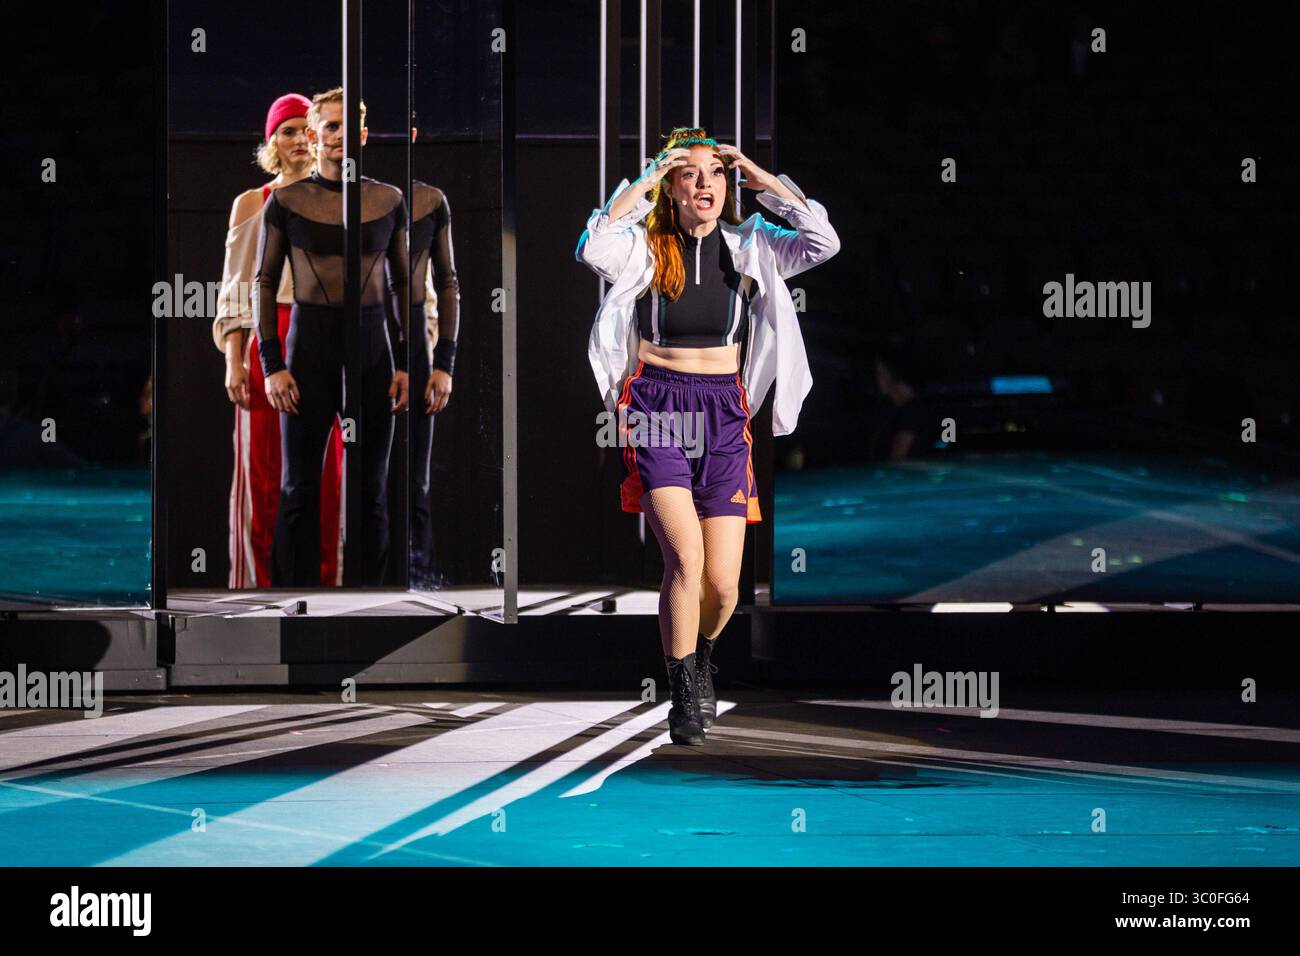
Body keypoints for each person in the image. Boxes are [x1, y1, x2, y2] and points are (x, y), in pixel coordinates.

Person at [577, 127, 840, 744]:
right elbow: (594, 243)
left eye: (716, 174)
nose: (706, 184)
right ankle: (683, 693)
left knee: (724, 584)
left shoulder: (751, 243)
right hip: (656, 410)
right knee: (685, 559)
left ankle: (700, 662)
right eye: (690, 173)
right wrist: (645, 179)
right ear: (671, 185)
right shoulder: (644, 244)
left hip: (725, 412)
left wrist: (765, 180)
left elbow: (823, 241)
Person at [254, 87, 410, 586]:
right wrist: (271, 364)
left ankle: (372, 602)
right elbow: (262, 281)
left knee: (372, 489)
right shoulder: (286, 200)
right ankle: (290, 602)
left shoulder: (389, 198)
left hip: (372, 348)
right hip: (308, 346)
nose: (339, 135)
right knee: (299, 486)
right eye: (329, 126)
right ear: (314, 134)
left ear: (363, 135)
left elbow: (405, 284)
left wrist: (408, 362)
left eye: (348, 127)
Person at [212, 93, 345, 588]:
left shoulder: (339, 200)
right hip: (269, 339)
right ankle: (255, 591)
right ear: (272, 142)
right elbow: (235, 287)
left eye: (303, 129)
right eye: (285, 131)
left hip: (321, 340)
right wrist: (234, 360)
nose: (297, 140)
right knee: (263, 476)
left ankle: (324, 588)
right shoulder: (254, 202)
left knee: (326, 477)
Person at [408, 172, 461, 589]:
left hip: (415, 347)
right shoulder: (336, 196)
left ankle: (418, 576)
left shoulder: (428, 199)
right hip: (349, 345)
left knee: (414, 478)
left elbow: (447, 281)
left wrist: (443, 361)